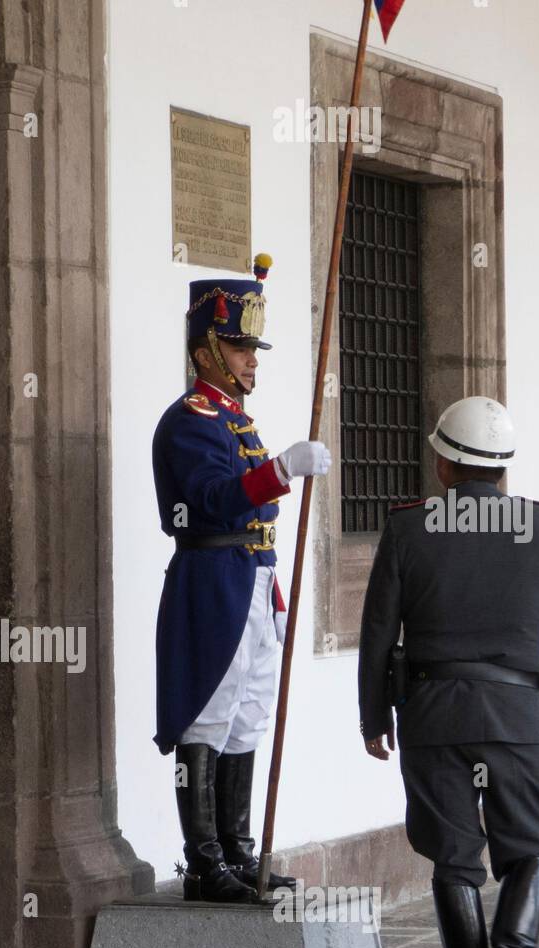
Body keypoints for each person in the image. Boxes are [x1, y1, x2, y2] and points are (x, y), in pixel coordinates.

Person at [358, 396, 539, 948]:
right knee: (532, 844)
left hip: (433, 716)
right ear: (504, 467)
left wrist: (373, 715)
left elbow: (378, 629)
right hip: (518, 715)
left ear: (442, 465)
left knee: (454, 858)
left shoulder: (407, 529)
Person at [154, 255, 332, 903]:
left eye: (253, 347)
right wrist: (282, 470)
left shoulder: (232, 418)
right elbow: (209, 498)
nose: (251, 360)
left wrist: (271, 590)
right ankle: (204, 864)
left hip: (251, 580)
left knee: (248, 715)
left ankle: (237, 851)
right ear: (205, 350)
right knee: (207, 715)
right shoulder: (191, 421)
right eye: (238, 346)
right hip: (212, 582)